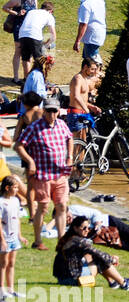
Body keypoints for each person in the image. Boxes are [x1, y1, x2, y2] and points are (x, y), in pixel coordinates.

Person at [15, 99, 75, 247]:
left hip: (61, 174)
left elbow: (70, 138)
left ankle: (61, 241)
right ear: (44, 111)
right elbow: (19, 145)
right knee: (43, 208)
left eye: (54, 111)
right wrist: (30, 161)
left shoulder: (61, 124)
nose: (51, 114)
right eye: (48, 111)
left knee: (61, 205)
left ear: (58, 111)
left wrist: (70, 156)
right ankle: (37, 241)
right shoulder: (35, 127)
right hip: (43, 175)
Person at [54, 216, 129, 289]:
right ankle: (124, 283)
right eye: (84, 228)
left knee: (92, 256)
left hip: (63, 279)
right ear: (75, 228)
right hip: (73, 280)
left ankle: (113, 283)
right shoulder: (79, 241)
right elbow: (97, 253)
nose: (87, 230)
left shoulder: (69, 238)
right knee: (98, 259)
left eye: (88, 228)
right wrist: (112, 259)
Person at [4, 0, 39, 83]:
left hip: (30, 30)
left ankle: (26, 76)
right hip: (19, 29)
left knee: (29, 53)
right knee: (18, 52)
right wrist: (17, 13)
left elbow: (35, 13)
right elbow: (5, 7)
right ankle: (15, 78)